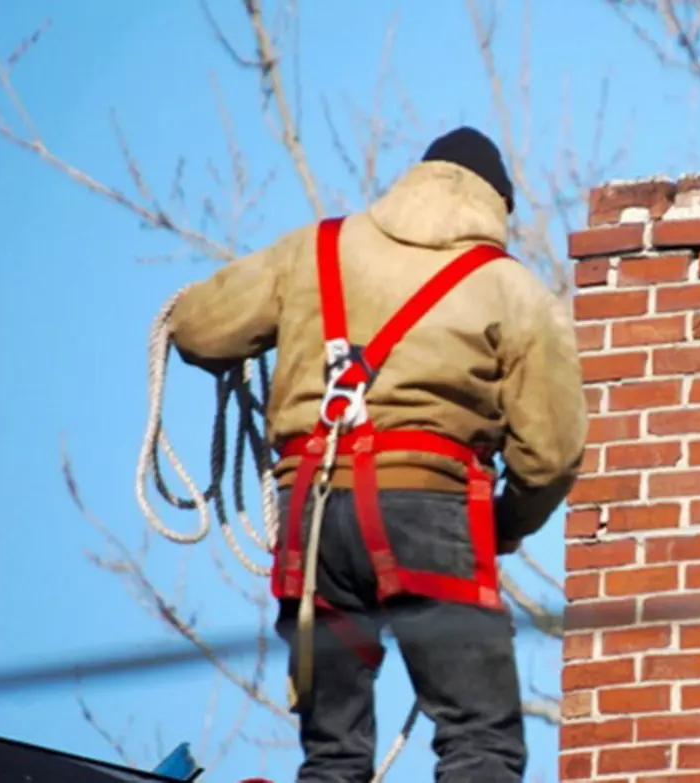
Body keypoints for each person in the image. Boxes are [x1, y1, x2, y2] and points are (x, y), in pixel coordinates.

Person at [166, 126, 588, 782]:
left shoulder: (314, 249)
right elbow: (552, 456)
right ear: (497, 207)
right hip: (428, 511)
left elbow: (195, 327)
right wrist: (505, 524)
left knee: (333, 753)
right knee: (479, 737)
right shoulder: (512, 289)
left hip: (312, 518)